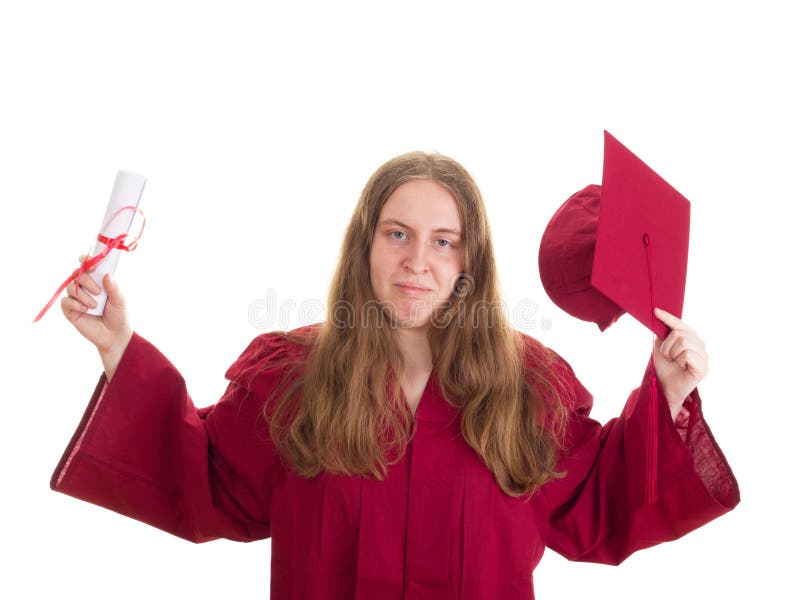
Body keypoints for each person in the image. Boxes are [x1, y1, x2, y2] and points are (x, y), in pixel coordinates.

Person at [54, 151, 739, 599]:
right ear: (365, 245)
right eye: (397, 233)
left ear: (469, 262)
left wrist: (669, 390)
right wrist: (118, 346)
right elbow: (203, 475)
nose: (418, 261)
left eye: (444, 241)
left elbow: (600, 502)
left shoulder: (527, 390)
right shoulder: (293, 381)